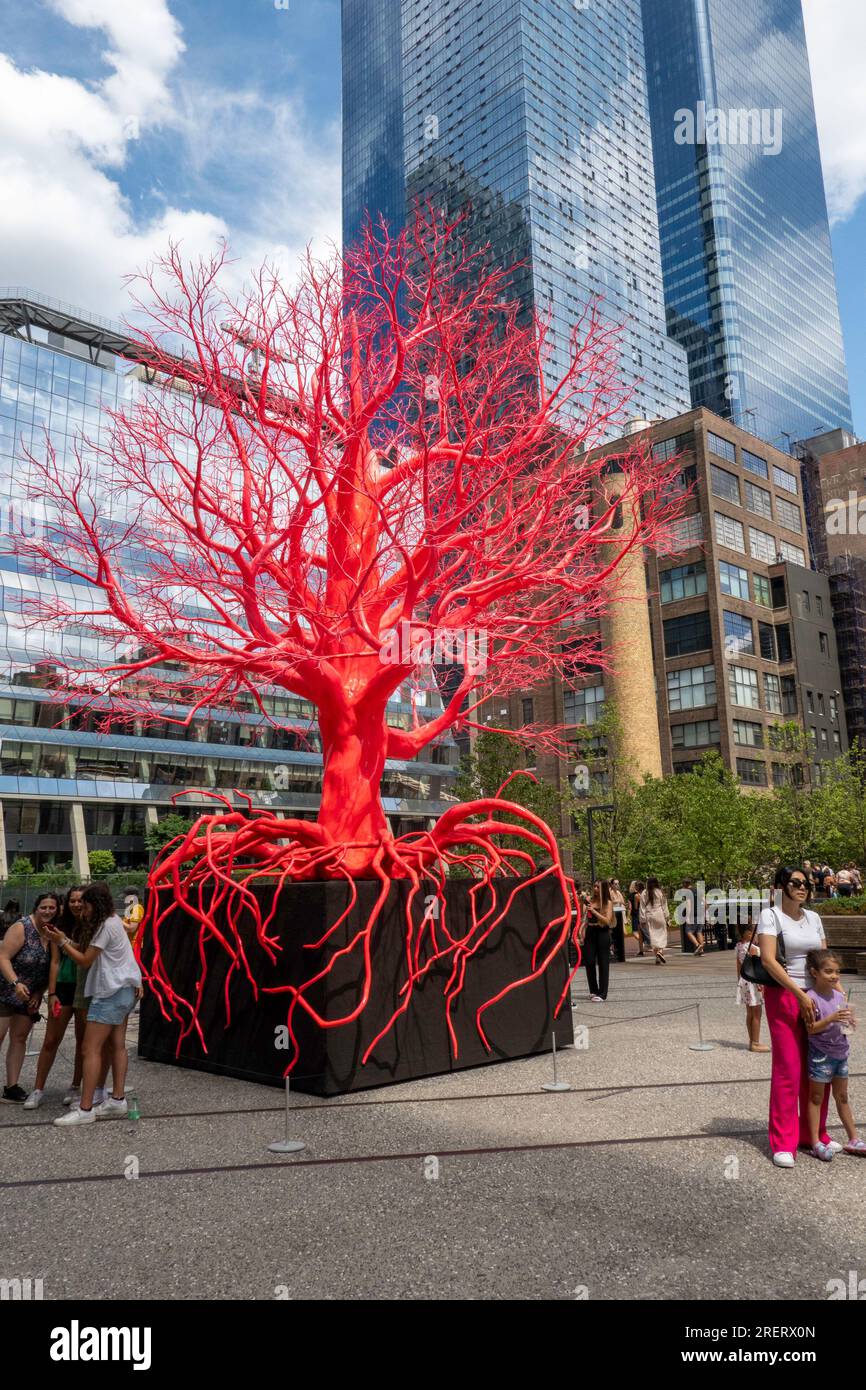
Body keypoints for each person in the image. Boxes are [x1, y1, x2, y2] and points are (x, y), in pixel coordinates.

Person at [758, 866, 837, 1168]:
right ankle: (783, 1140)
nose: (803, 887)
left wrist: (836, 997)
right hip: (784, 995)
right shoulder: (771, 916)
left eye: (807, 884)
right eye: (796, 883)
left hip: (816, 996)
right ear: (781, 886)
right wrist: (800, 994)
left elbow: (825, 961)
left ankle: (814, 1134)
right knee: (788, 1069)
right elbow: (767, 959)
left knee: (819, 1069)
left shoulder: (814, 918)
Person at [47, 883, 142, 1126]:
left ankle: (86, 1107)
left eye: (85, 905)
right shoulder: (114, 922)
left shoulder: (104, 926)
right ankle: (118, 1099)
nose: (83, 910)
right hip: (124, 991)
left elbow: (84, 960)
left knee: (90, 1049)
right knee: (118, 1046)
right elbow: (88, 951)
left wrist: (60, 943)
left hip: (109, 993)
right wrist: (65, 939)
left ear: (94, 904)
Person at [23, 886, 91, 1110]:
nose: (76, 904)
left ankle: (75, 1085)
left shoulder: (92, 924)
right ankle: (38, 1088)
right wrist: (51, 993)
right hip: (62, 987)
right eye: (72, 900)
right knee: (51, 1039)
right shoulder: (59, 926)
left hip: (86, 988)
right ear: (66, 903)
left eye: (80, 900)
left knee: (84, 1041)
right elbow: (54, 961)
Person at [804, 949, 865, 1160]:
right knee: (817, 1097)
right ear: (814, 972)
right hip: (820, 1054)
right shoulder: (810, 998)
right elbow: (810, 1028)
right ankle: (815, 1141)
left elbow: (844, 1021)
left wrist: (849, 1022)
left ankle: (854, 1138)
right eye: (828, 971)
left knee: (842, 1096)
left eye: (837, 972)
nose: (834, 976)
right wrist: (831, 1018)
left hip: (841, 1052)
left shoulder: (840, 995)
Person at [0, 892, 60, 1102]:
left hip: (28, 996)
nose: (48, 911)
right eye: (44, 907)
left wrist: (38, 992)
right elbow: (3, 957)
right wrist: (15, 983)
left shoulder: (52, 932)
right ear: (36, 908)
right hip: (5, 990)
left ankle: (12, 1086)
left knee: (19, 1038)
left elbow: (50, 969)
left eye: (52, 907)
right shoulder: (22, 927)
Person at [735, 922, 768, 1052]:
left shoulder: (738, 946)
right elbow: (757, 967)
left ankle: (751, 1040)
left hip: (744, 981)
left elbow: (738, 966)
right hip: (754, 982)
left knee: (749, 1013)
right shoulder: (753, 948)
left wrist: (739, 982)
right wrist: (761, 983)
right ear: (748, 933)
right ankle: (755, 1042)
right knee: (757, 1013)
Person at [579, 879, 614, 1002]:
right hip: (590, 932)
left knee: (603, 963)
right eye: (594, 886)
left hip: (602, 932)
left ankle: (602, 993)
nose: (595, 889)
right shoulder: (590, 901)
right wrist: (580, 930)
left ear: (603, 889)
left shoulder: (607, 903)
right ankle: (593, 990)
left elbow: (607, 920)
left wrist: (594, 911)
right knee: (589, 960)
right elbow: (585, 918)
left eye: (598, 887)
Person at [640, 877, 670, 964]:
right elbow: (664, 906)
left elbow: (642, 907)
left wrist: (642, 919)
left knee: (653, 935)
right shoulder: (660, 892)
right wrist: (667, 917)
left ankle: (657, 957)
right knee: (662, 934)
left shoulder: (644, 893)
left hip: (649, 915)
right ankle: (660, 952)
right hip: (659, 914)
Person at [681, 878, 705, 956]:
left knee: (688, 931)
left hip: (693, 914)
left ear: (685, 884)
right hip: (701, 914)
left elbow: (688, 904)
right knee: (699, 931)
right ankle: (701, 950)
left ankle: (697, 945)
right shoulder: (698, 891)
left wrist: (687, 917)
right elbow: (705, 903)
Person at [610, 879, 627, 962]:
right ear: (612, 885)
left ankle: (617, 948)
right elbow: (609, 902)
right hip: (613, 914)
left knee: (621, 932)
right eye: (615, 884)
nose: (617, 885)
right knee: (613, 931)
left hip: (619, 914)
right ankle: (611, 948)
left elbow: (623, 902)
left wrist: (626, 905)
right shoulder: (610, 893)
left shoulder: (619, 893)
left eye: (618, 884)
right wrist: (617, 901)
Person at [628, 880, 646, 957]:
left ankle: (644, 945)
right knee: (642, 931)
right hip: (645, 913)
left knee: (636, 931)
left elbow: (634, 907)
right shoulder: (645, 894)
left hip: (636, 914)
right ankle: (641, 949)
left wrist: (628, 916)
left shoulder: (634, 896)